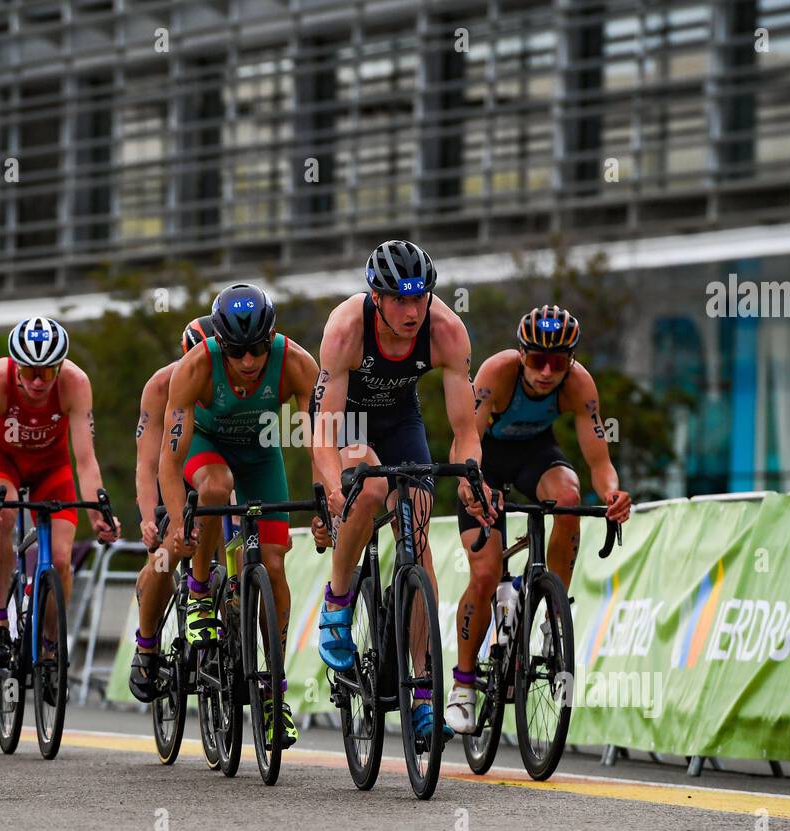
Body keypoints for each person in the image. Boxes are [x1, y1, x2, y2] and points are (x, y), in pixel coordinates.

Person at [310, 239, 493, 742]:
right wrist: (330, 486)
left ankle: (423, 693)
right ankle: (338, 600)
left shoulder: (446, 331)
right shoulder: (346, 329)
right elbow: (323, 432)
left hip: (400, 420)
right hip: (347, 423)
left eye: (421, 298)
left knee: (420, 533)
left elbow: (465, 429)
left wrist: (473, 475)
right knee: (367, 489)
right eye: (400, 300)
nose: (413, 311)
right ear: (376, 296)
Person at [443, 306, 631, 733]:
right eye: (537, 360)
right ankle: (464, 684)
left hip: (535, 455)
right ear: (522, 354)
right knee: (487, 573)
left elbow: (599, 461)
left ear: (571, 362)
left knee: (568, 495)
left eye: (558, 362)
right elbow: (464, 440)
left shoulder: (580, 385)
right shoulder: (497, 372)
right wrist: (470, 485)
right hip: (482, 460)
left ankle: (550, 612)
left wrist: (612, 494)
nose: (547, 372)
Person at [160, 284, 321, 746]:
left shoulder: (295, 363)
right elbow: (169, 462)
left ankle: (273, 692)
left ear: (270, 338)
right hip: (207, 449)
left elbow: (319, 439)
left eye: (256, 349)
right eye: (236, 351)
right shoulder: (195, 368)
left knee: (272, 565)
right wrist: (178, 521)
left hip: (260, 455)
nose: (249, 362)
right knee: (215, 486)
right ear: (220, 343)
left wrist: (324, 502)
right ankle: (197, 592)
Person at [0, 316, 120, 667]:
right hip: (5, 467)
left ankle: (51, 643)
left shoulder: (76, 383)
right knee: (2, 518)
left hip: (53, 470)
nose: (39, 381)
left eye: (48, 372)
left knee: (62, 559)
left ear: (61, 367)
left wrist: (99, 514)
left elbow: (85, 461)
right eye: (29, 371)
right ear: (15, 365)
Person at [127, 317, 214, 703]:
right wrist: (148, 518)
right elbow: (147, 464)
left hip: (212, 474)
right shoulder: (161, 387)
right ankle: (146, 647)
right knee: (164, 558)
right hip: (171, 477)